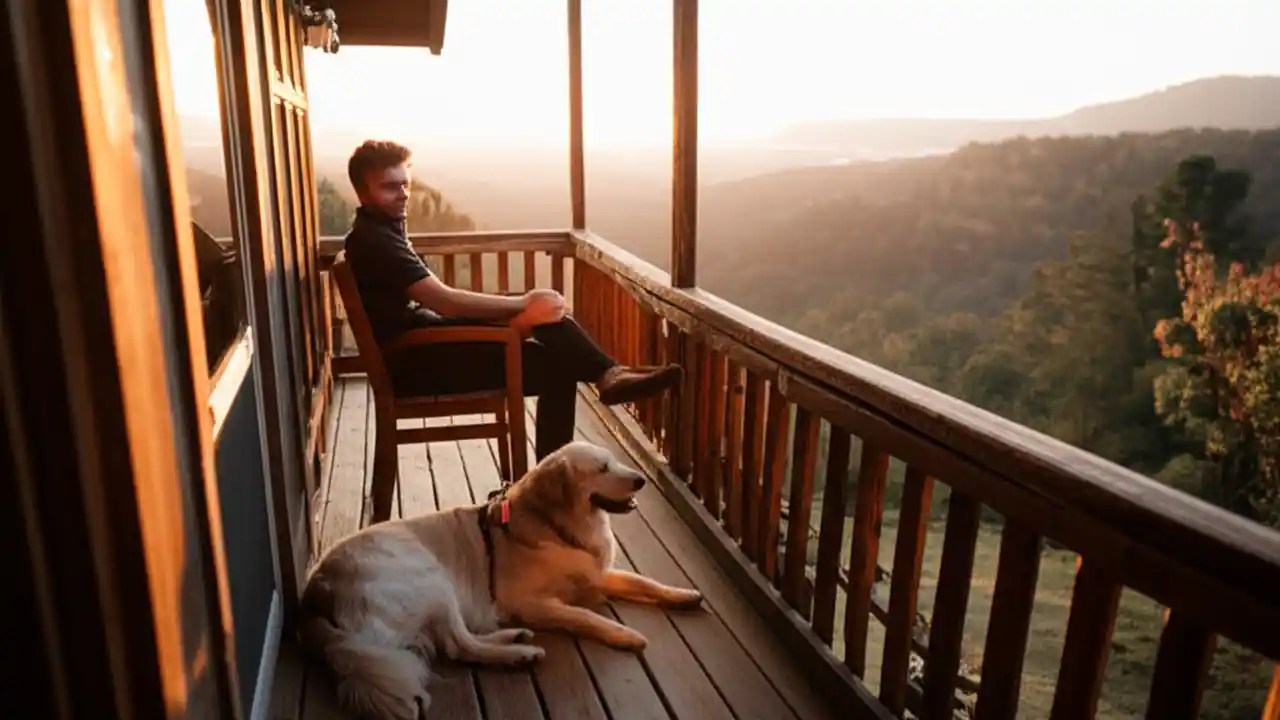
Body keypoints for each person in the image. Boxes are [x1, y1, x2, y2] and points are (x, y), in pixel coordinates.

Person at [343, 140, 682, 460]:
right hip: (415, 363)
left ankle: (608, 374)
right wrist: (522, 305)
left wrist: (521, 312)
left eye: (406, 184)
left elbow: (437, 304)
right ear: (364, 193)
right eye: (390, 187)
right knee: (557, 366)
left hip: (421, 345)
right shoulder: (377, 242)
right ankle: (554, 483)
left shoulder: (379, 230)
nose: (403, 194)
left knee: (543, 325)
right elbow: (445, 301)